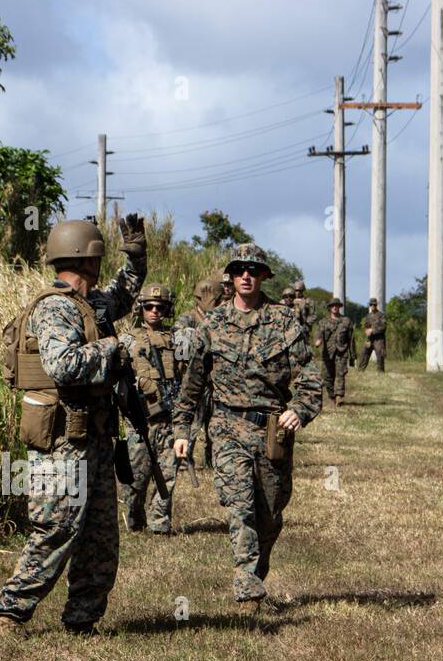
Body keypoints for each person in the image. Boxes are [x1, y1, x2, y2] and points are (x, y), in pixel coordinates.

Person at [0, 215, 152, 635]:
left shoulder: (90, 305)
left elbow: (125, 293)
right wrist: (116, 347)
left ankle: (82, 619)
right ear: (89, 258)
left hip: (94, 437)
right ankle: (9, 611)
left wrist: (136, 253)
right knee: (56, 528)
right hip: (61, 439)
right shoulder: (55, 307)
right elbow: (63, 365)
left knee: (100, 536)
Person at [172, 243, 322, 607]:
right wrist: (182, 430)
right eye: (239, 270)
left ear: (263, 276)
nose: (245, 276)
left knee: (269, 515)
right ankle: (245, 582)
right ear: (231, 276)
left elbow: (310, 381)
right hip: (226, 427)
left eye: (253, 271)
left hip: (272, 431)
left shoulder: (284, 323)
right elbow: (192, 384)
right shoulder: (213, 324)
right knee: (240, 507)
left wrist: (300, 409)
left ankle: (255, 577)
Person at [121, 283, 182, 535]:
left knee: (167, 474)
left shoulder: (176, 340)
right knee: (136, 477)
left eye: (160, 307)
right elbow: (118, 379)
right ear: (141, 309)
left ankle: (160, 523)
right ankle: (134, 520)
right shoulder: (128, 340)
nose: (154, 311)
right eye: (149, 306)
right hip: (141, 419)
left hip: (168, 419)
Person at [173, 276, 222, 469]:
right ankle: (185, 458)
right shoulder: (188, 318)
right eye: (216, 300)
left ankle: (213, 460)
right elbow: (178, 343)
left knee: (214, 422)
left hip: (214, 380)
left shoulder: (218, 319)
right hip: (195, 379)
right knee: (194, 421)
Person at [314, 298, 354, 406]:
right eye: (333, 306)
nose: (335, 307)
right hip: (328, 353)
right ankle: (332, 396)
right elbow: (319, 334)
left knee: (340, 374)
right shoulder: (323, 322)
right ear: (330, 308)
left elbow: (351, 340)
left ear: (340, 307)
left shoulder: (346, 321)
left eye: (337, 305)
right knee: (327, 376)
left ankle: (339, 396)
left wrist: (352, 356)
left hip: (341, 352)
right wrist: (318, 341)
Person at [360, 296, 387, 372]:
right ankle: (360, 371)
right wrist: (366, 330)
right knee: (364, 353)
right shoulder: (368, 316)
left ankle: (380, 373)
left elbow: (383, 327)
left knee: (380, 355)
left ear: (376, 305)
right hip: (369, 338)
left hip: (379, 339)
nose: (372, 306)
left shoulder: (381, 315)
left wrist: (373, 330)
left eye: (374, 305)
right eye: (371, 305)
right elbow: (366, 326)